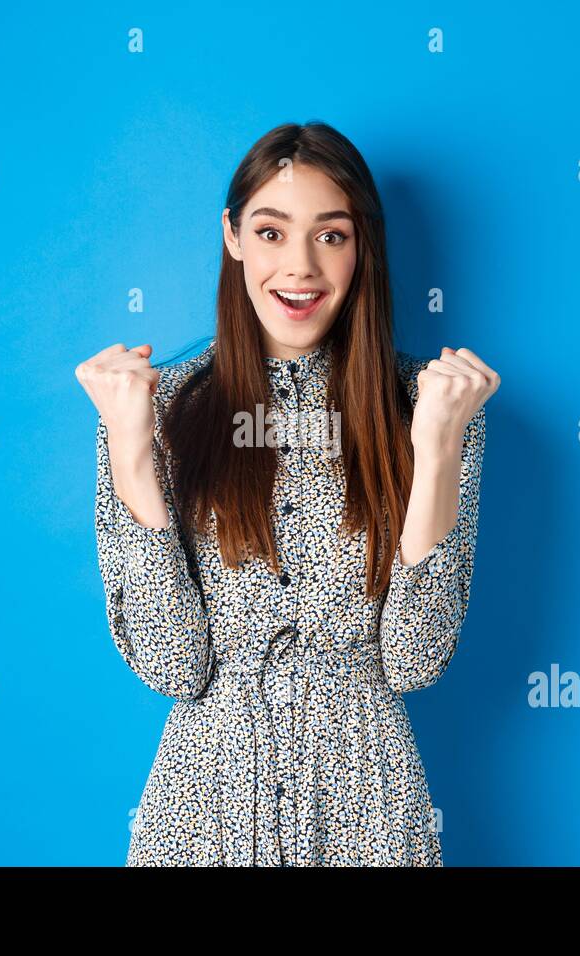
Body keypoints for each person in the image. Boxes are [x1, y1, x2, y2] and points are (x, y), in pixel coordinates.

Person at [76, 121, 499, 865]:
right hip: (204, 816)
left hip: (369, 814)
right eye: (271, 233)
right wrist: (131, 450)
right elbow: (174, 665)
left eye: (330, 236)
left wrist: (435, 451)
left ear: (362, 244)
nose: (300, 267)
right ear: (233, 236)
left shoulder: (428, 406)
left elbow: (413, 660)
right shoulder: (159, 407)